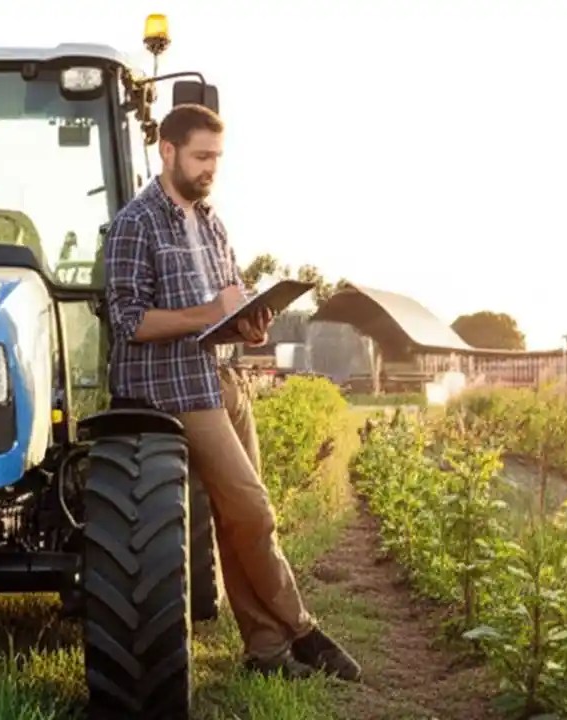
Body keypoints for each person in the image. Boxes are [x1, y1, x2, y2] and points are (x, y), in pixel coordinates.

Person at [101, 104, 361, 682]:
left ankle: (266, 654)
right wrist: (207, 314)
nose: (210, 168)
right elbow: (129, 322)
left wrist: (250, 321)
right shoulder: (134, 224)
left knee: (238, 519)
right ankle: (304, 630)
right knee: (254, 512)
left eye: (217, 157)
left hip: (223, 376)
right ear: (166, 152)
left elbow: (229, 300)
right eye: (200, 156)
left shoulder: (214, 222)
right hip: (170, 387)